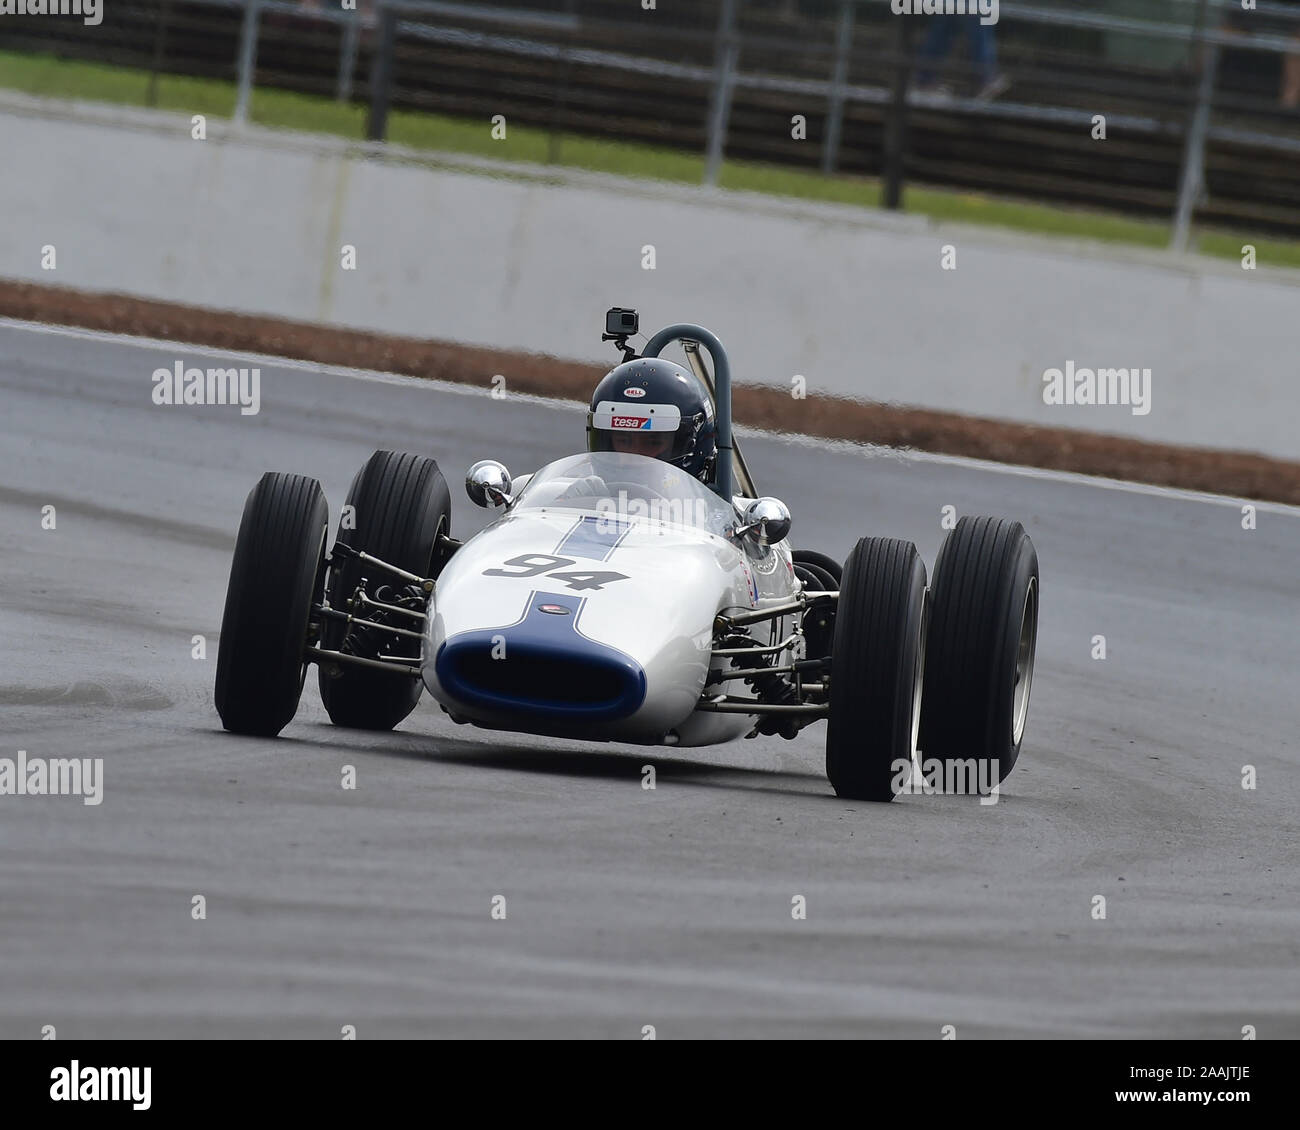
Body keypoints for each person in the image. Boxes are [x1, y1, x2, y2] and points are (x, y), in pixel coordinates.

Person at [585, 357, 718, 483]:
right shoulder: (583, 498)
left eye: (653, 442)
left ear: (690, 445)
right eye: (624, 441)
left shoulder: (705, 507)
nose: (634, 457)